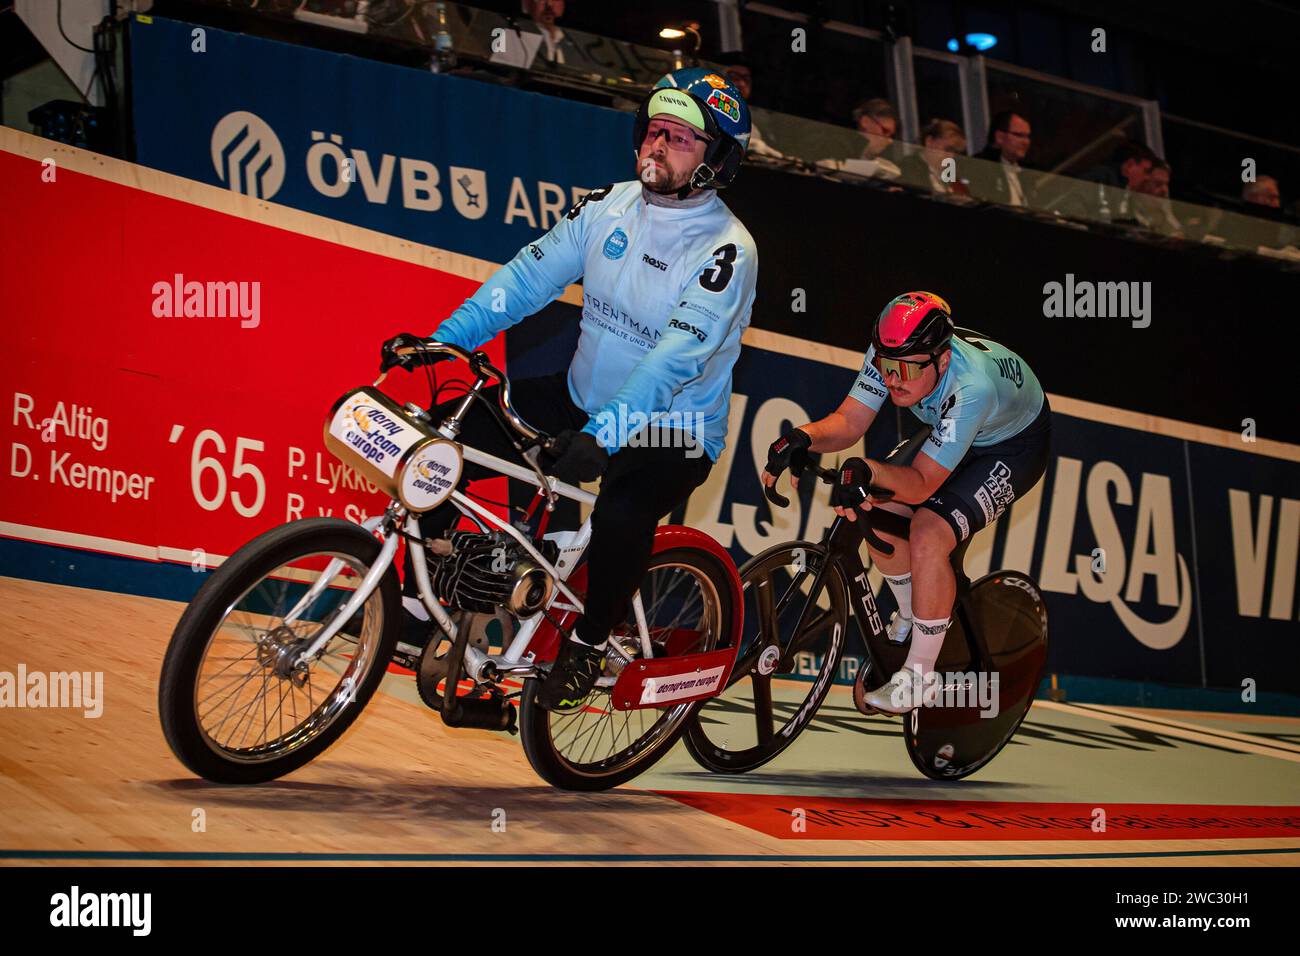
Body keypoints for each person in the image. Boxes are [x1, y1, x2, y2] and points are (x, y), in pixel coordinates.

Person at [381, 68, 757, 712]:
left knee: (620, 513)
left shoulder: (728, 250)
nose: (659, 146)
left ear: (716, 161)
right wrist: (447, 340)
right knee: (439, 433)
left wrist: (603, 436)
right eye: (655, 130)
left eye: (682, 139)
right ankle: (437, 585)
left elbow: (672, 361)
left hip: (670, 428)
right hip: (582, 396)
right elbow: (525, 281)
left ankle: (585, 643)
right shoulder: (606, 204)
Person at [762, 292, 1050, 714]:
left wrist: (868, 471)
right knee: (876, 513)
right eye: (885, 366)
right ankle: (917, 612)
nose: (892, 379)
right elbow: (850, 422)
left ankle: (920, 675)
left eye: (905, 370)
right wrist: (804, 436)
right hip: (957, 428)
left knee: (929, 531)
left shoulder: (972, 388)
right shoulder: (894, 352)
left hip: (1011, 446)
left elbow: (918, 486)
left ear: (942, 360)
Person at [714, 51, 783, 159]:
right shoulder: (704, 111)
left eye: (746, 79)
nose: (741, 84)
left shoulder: (751, 126)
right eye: (733, 77)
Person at [968, 110, 1034, 207]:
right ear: (1000, 137)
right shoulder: (978, 166)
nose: (1026, 142)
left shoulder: (1027, 173)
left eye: (1028, 136)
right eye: (1019, 135)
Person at [898, 119, 969, 196]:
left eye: (955, 152)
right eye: (947, 149)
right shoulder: (909, 167)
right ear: (929, 141)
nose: (951, 156)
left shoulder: (952, 178)